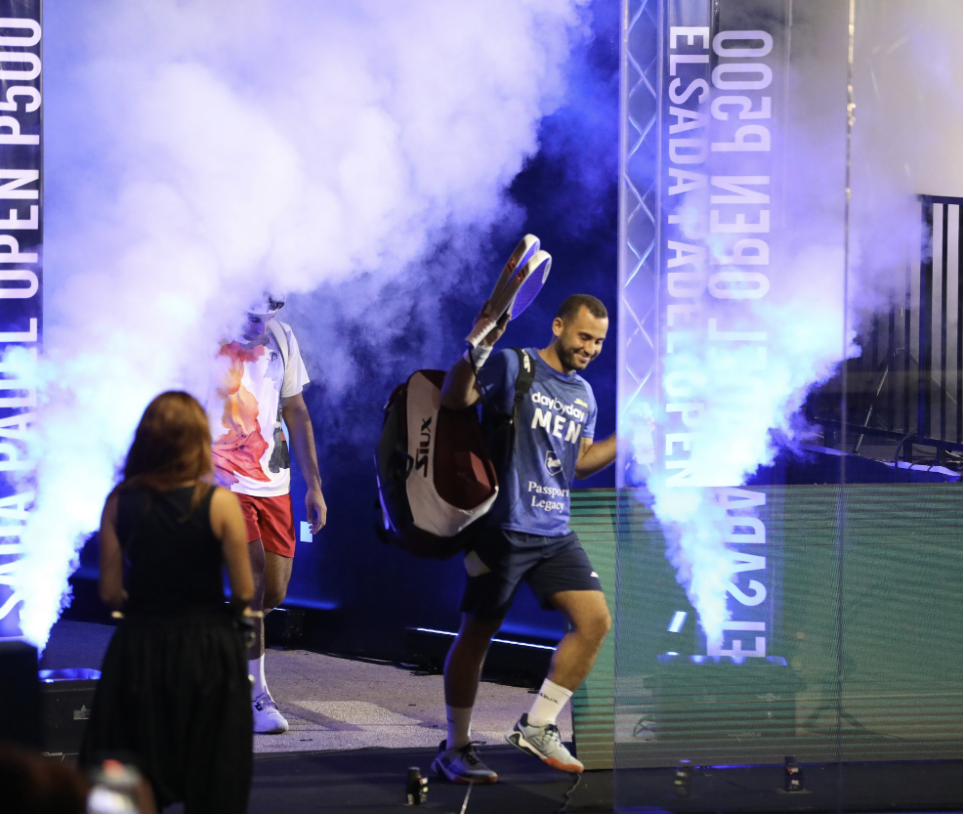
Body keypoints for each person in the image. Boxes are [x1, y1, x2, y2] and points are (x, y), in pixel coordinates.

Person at [433, 294, 617, 784]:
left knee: (595, 622)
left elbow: (579, 462)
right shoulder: (515, 364)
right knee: (476, 635)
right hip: (502, 529)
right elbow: (454, 399)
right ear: (559, 326)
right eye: (584, 337)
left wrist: (634, 437)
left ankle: (537, 725)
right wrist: (476, 345)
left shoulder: (585, 395)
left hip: (554, 532)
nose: (591, 348)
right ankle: (455, 746)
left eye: (599, 341)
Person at [80, 391, 255, 813]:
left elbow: (108, 591)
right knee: (214, 773)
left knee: (131, 772)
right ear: (198, 440)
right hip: (209, 648)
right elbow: (245, 591)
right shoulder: (219, 503)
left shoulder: (119, 500)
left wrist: (139, 603)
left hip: (141, 644)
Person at [206, 292, 327, 734]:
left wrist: (314, 484)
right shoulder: (203, 335)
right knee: (253, 585)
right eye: (251, 317)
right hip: (222, 480)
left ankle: (217, 648)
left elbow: (295, 409)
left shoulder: (283, 338)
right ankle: (256, 696)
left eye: (265, 318)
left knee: (272, 593)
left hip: (273, 483)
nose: (257, 327)